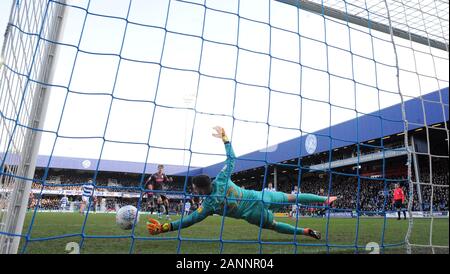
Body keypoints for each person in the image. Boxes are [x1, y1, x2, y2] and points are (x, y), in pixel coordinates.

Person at [147, 126, 337, 239]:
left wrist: (165, 228)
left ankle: (304, 231)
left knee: (275, 226)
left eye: (196, 189)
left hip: (252, 214)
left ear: (202, 188)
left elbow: (189, 220)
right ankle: (325, 199)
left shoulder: (208, 205)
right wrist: (225, 138)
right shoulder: (221, 178)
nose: (194, 191)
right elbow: (231, 159)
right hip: (261, 196)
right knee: (292, 197)